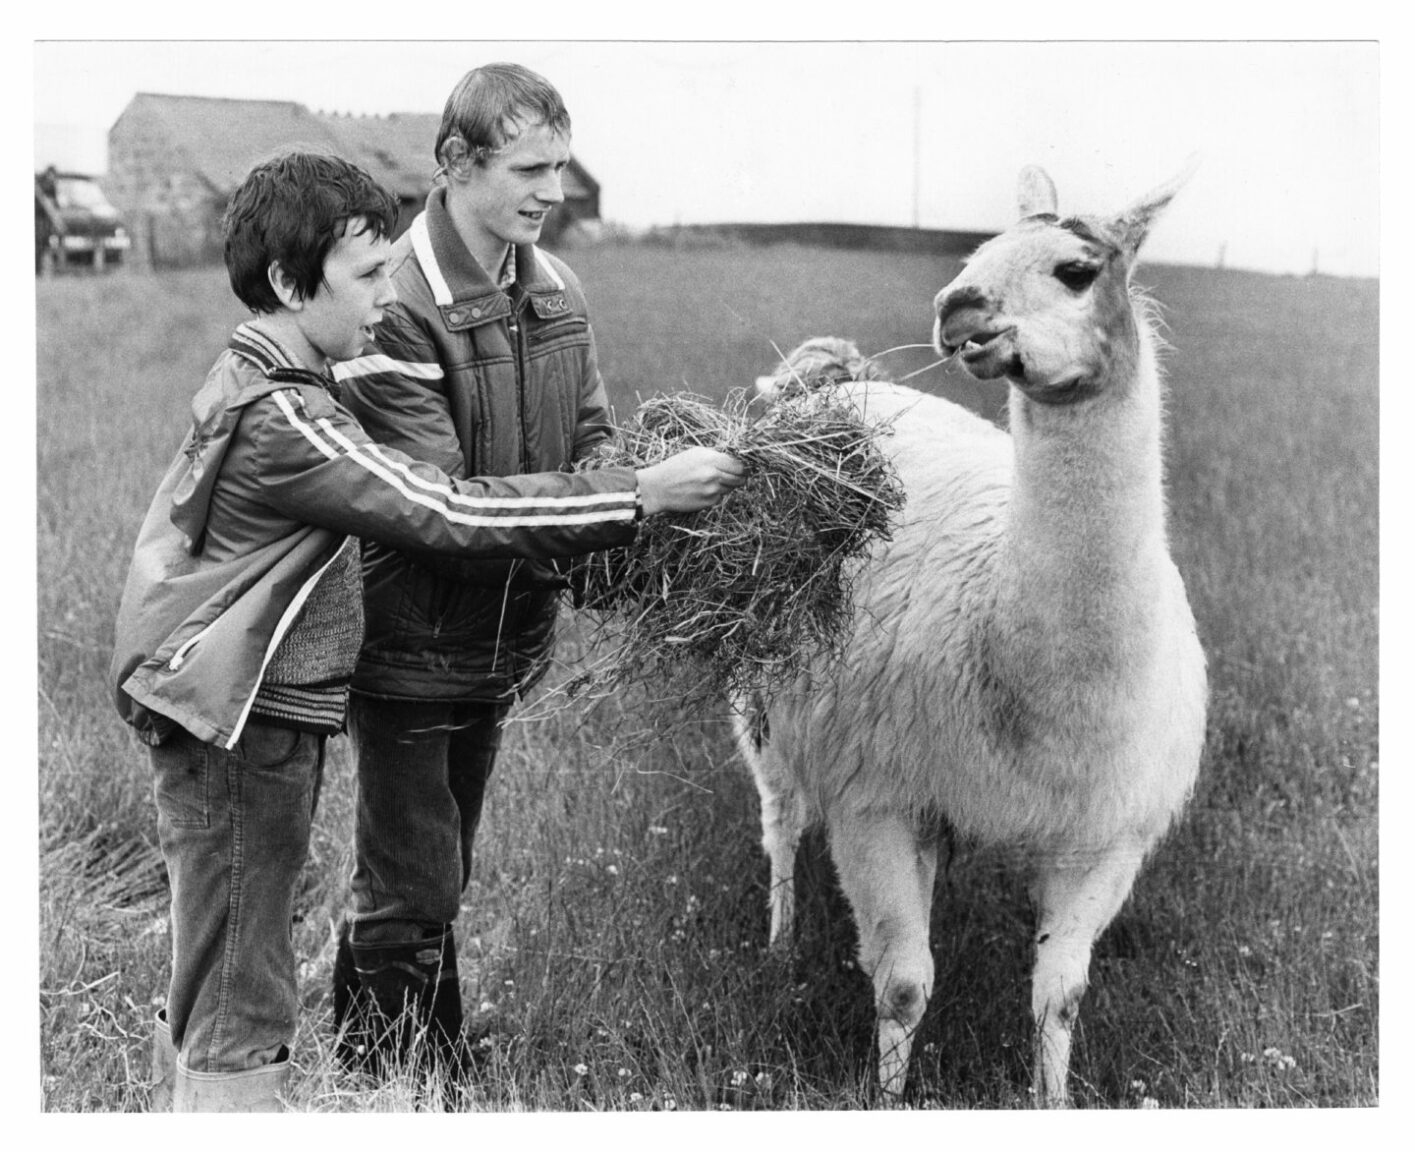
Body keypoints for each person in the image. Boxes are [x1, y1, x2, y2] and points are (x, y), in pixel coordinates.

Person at [110, 149, 744, 1112]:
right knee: (244, 982)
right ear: (290, 283)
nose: (384, 295)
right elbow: (445, 507)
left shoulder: (266, 379)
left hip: (239, 715)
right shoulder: (288, 416)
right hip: (236, 722)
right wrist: (638, 494)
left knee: (221, 959)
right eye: (367, 275)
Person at [329, 62, 693, 1070]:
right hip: (408, 636)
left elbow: (590, 432)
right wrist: (634, 496)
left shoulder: (557, 290)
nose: (554, 192)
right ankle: (389, 1083)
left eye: (561, 167)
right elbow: (442, 509)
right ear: (455, 161)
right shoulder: (395, 305)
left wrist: (628, 500)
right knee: (411, 872)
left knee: (440, 859)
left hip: (501, 632)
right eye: (530, 169)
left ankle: (412, 1059)